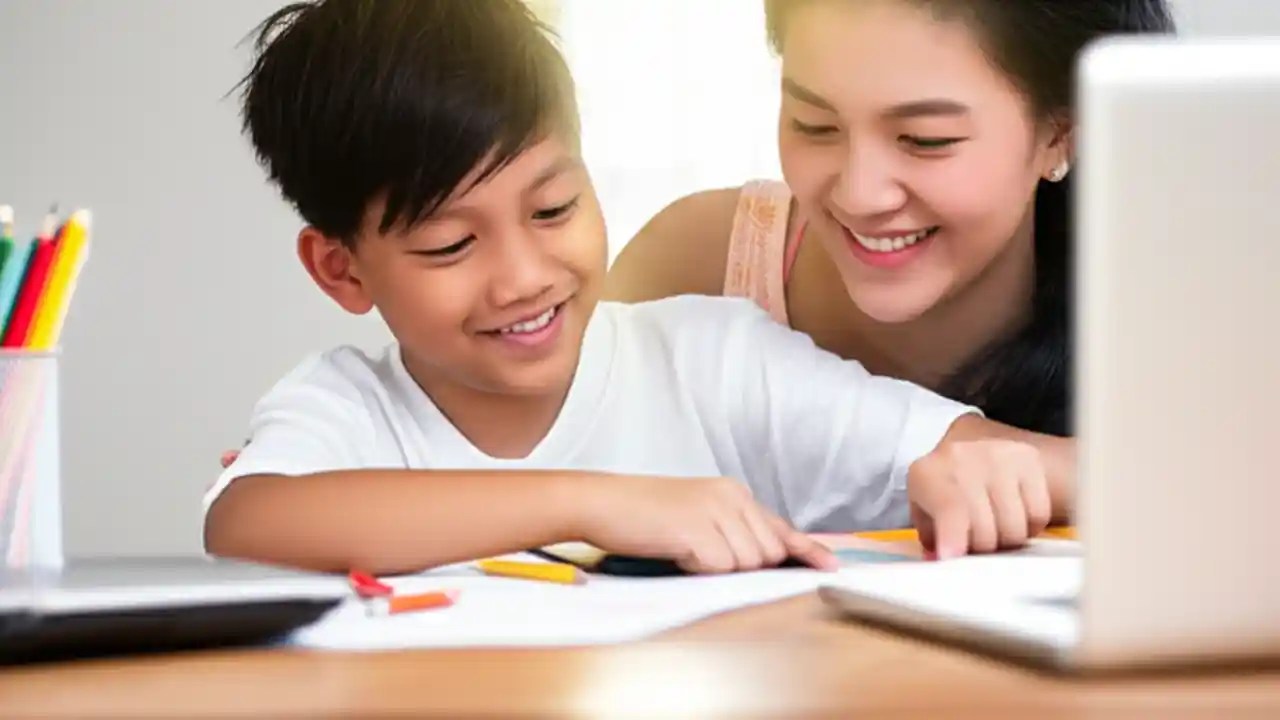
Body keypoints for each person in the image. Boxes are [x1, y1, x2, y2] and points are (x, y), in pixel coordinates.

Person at [204, 0, 1061, 577]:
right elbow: (246, 523)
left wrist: (985, 471)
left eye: (554, 209)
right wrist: (596, 502)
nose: (524, 277)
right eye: (451, 245)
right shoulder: (350, 408)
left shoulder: (711, 360)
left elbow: (1025, 462)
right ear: (342, 270)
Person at [607, 0, 1176, 488]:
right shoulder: (693, 268)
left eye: (925, 140)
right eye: (814, 124)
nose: (860, 194)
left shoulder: (1161, 316)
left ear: (1061, 131)